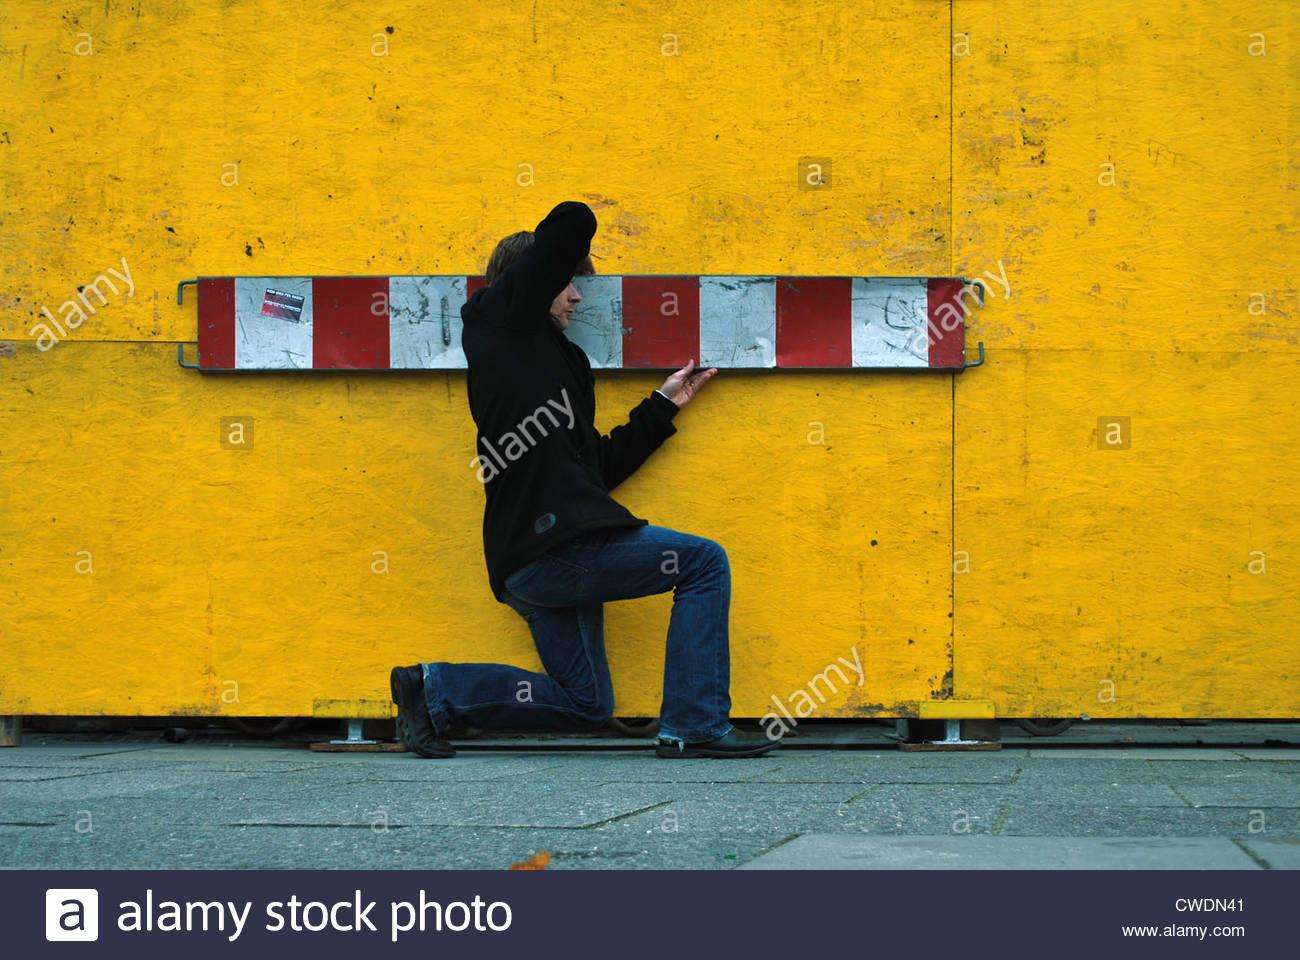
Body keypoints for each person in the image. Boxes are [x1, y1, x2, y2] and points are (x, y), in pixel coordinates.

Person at [390, 200, 778, 759]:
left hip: (540, 557)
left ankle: (433, 689)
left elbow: (594, 469)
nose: (576, 295)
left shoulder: (561, 362)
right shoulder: (499, 324)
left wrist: (662, 406)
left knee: (586, 702)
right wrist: (563, 247)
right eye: (568, 282)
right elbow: (571, 222)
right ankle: (695, 725)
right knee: (703, 562)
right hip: (555, 546)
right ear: (535, 280)